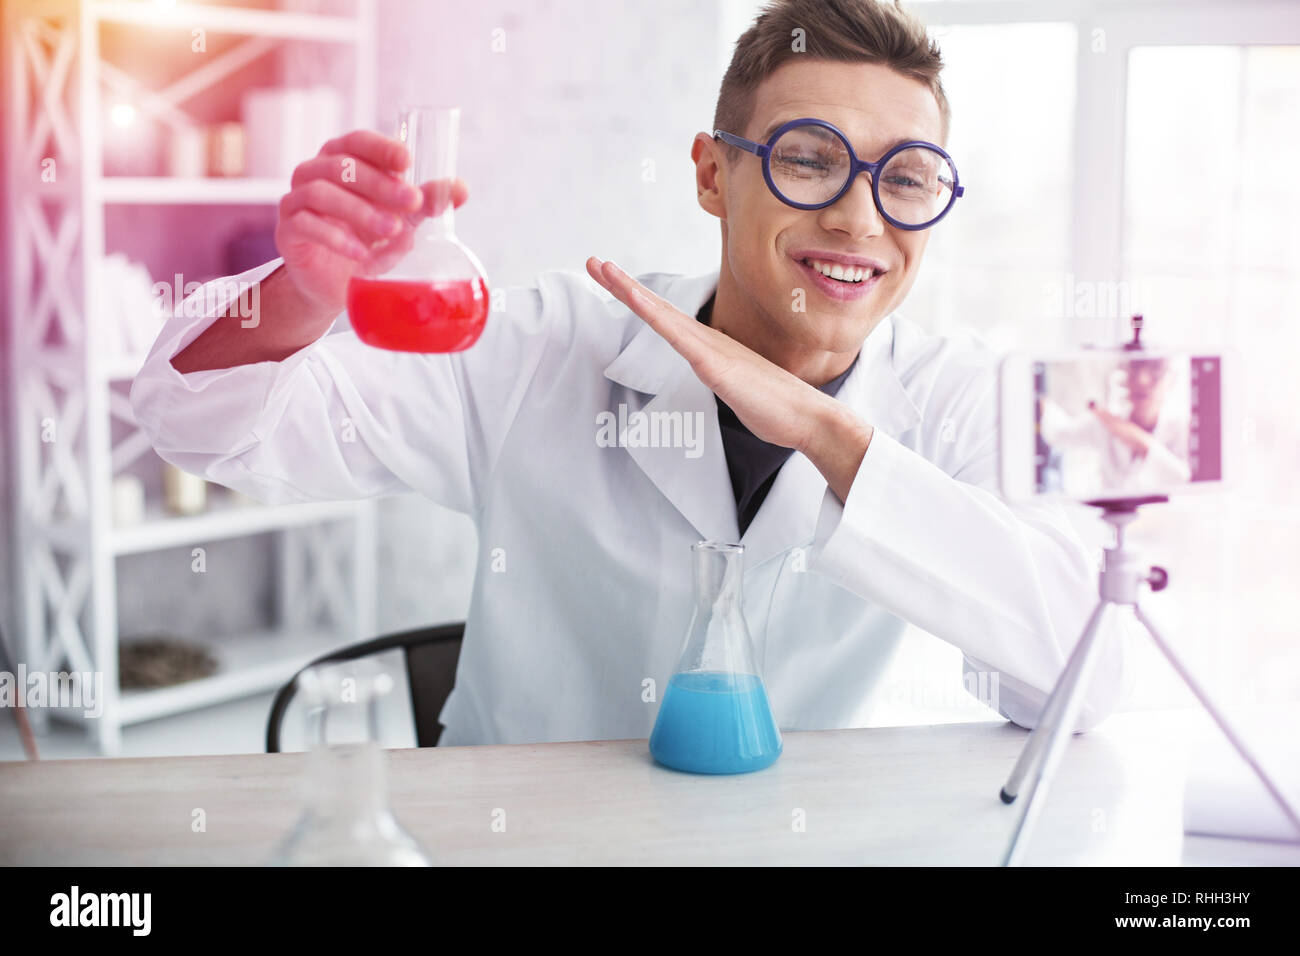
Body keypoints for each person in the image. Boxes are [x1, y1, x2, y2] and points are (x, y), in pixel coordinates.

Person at [130, 0, 1136, 745]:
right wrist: (306, 292)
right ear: (711, 172)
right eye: (810, 157)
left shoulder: (960, 394)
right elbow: (203, 423)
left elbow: (1084, 677)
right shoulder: (547, 346)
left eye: (905, 176)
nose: (860, 218)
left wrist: (830, 436)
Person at [1040, 357, 1191, 496]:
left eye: (1155, 371)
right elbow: (1057, 434)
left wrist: (1116, 425)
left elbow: (1181, 477)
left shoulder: (1184, 430)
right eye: (1135, 369)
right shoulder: (1100, 425)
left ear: (1171, 381)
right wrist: (1040, 400)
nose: (1142, 380)